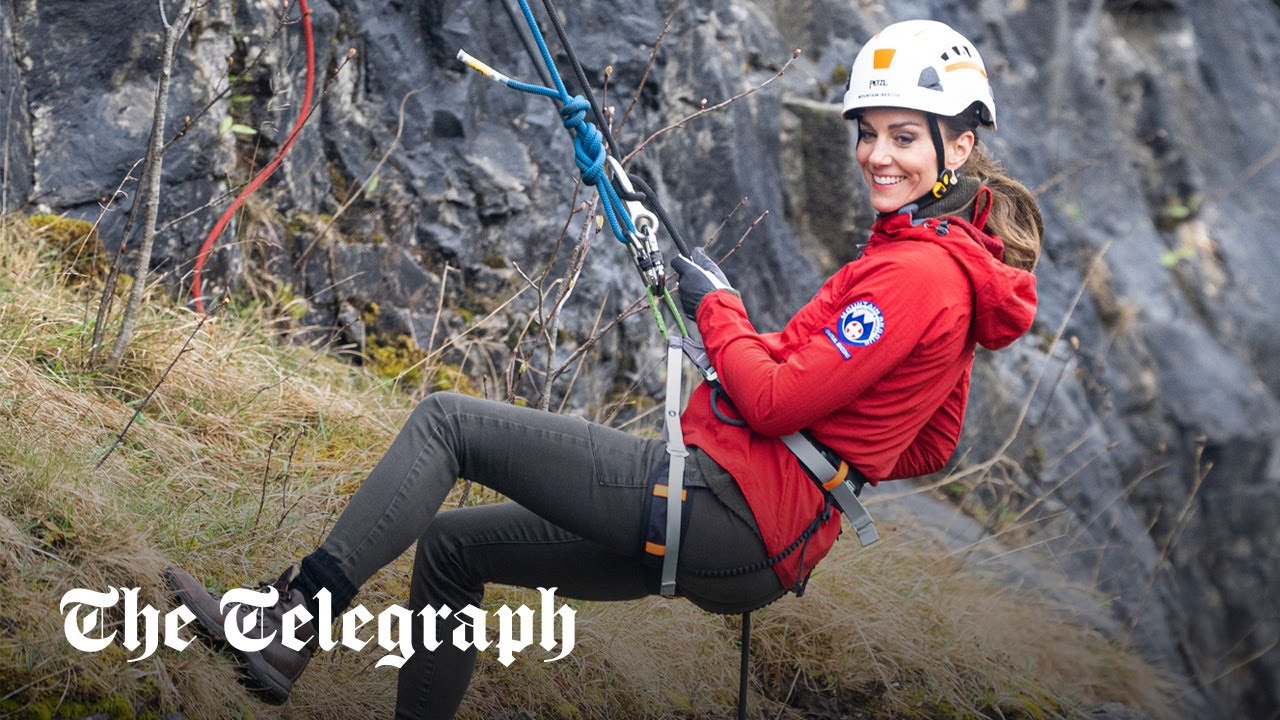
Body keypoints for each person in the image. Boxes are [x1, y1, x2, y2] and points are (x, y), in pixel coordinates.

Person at [166, 18, 1040, 719]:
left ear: (958, 148)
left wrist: (718, 306)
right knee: (452, 551)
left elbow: (774, 402)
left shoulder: (917, 274)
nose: (877, 155)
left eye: (904, 137)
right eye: (869, 133)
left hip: (725, 506)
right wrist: (826, 446)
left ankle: (290, 622)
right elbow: (929, 443)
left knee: (448, 423)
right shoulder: (953, 271)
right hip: (757, 547)